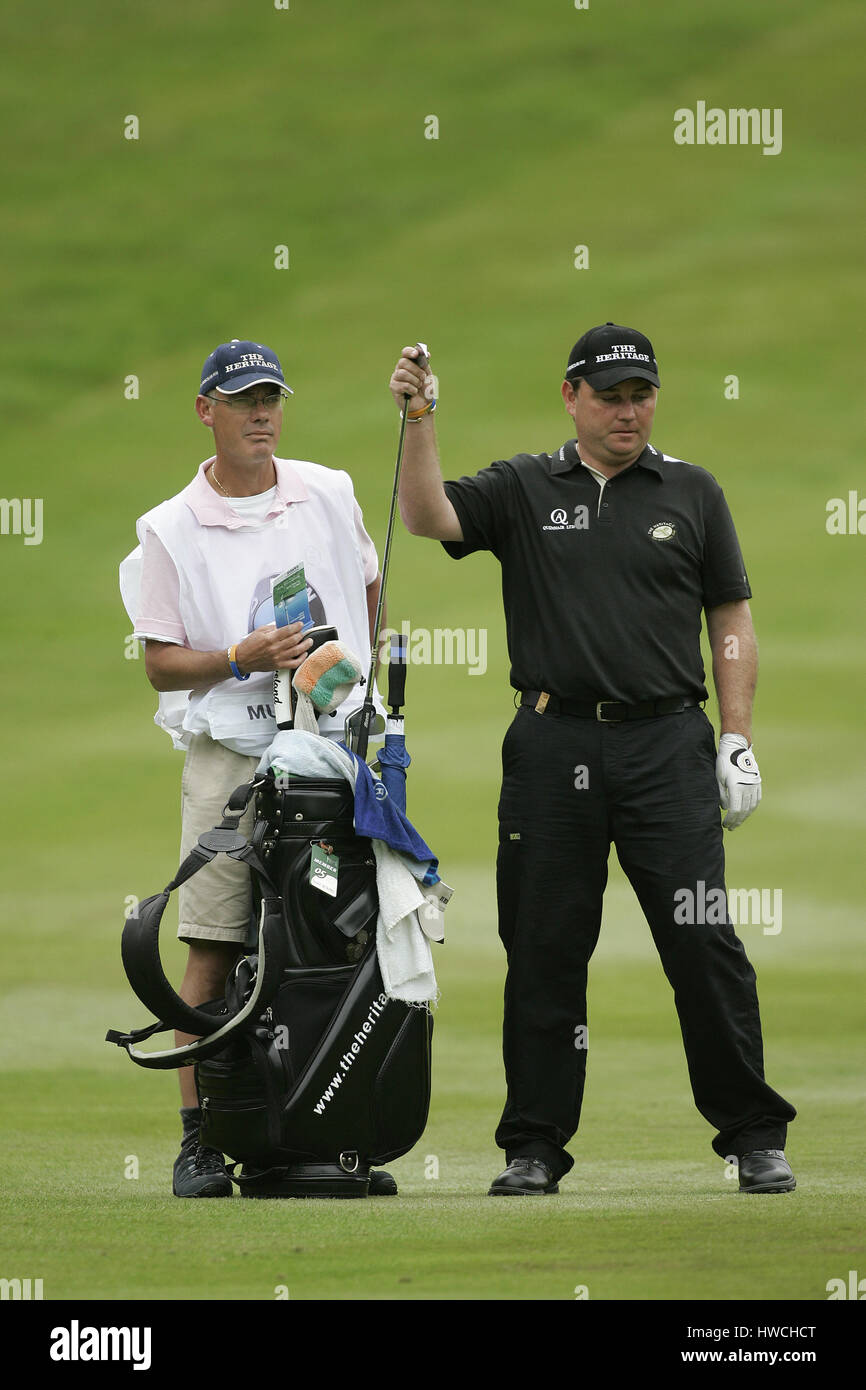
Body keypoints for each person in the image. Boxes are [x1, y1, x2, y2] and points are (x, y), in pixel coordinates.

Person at [388, 323, 797, 1196]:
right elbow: (428, 517)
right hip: (552, 741)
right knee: (542, 948)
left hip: (666, 746)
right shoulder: (525, 486)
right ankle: (534, 1146)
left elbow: (729, 618)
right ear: (571, 397)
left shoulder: (692, 492)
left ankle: (755, 1134)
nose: (628, 410)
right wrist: (420, 416)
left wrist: (737, 735)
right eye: (609, 395)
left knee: (702, 941)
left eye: (641, 394)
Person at [126, 338, 386, 1196]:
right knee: (210, 941)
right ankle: (199, 1137)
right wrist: (240, 656)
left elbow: (369, 592)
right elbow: (162, 661)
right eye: (242, 401)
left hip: (335, 751)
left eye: (271, 396)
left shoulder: (332, 491)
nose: (262, 413)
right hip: (229, 755)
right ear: (207, 411)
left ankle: (325, 1127)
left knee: (339, 935)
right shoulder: (169, 528)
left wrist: (341, 674)